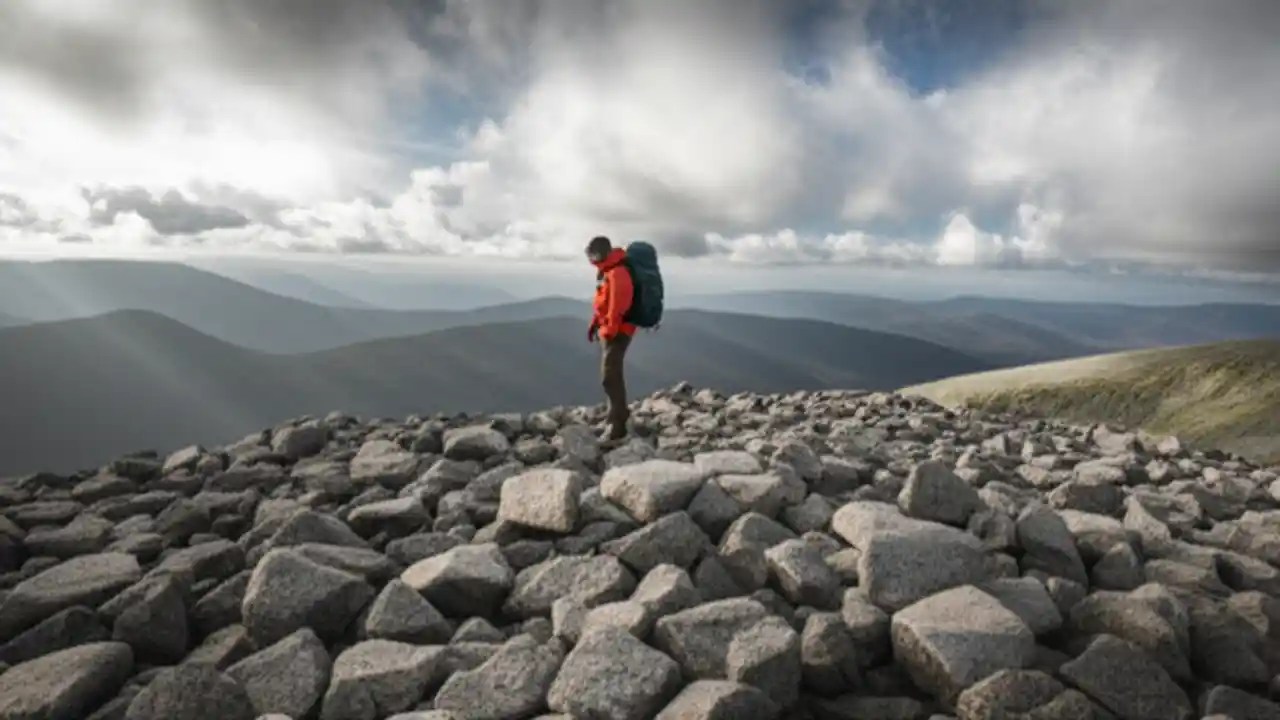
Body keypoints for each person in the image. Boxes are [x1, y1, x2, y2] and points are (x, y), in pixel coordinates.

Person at [586, 235, 635, 441]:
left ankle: (618, 426)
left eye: (592, 255)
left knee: (610, 377)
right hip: (610, 330)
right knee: (611, 375)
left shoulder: (617, 273)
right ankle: (613, 416)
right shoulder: (607, 270)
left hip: (618, 332)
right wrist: (594, 325)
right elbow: (603, 304)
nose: (590, 260)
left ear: (600, 253)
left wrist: (608, 331)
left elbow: (617, 307)